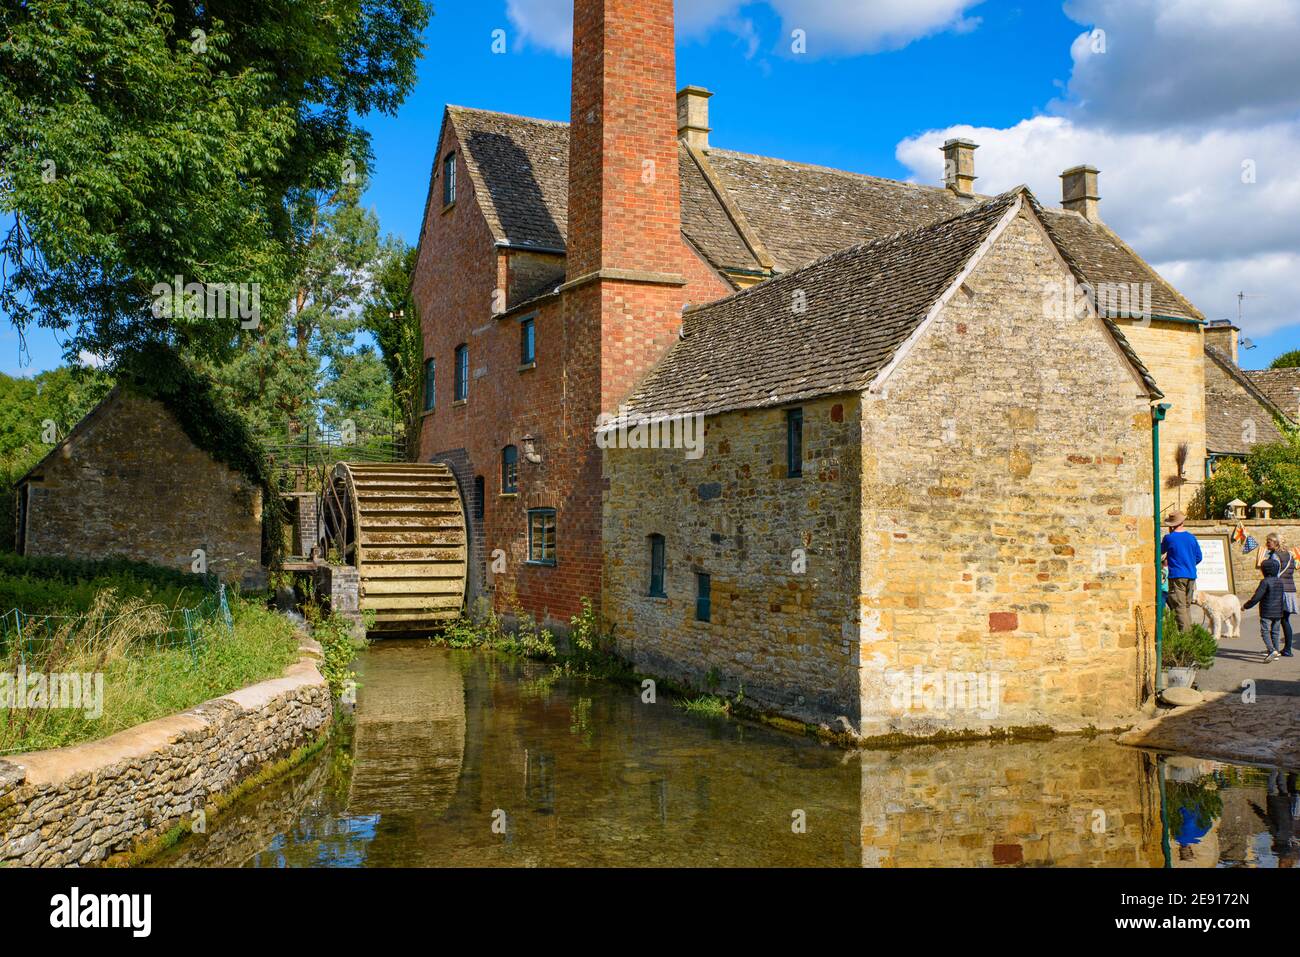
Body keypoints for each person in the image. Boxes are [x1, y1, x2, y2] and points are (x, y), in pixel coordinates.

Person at [1160, 510, 1201, 632]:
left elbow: (1160, 552)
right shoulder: (1191, 537)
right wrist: (1189, 564)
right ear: (1182, 522)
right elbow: (1199, 557)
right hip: (1191, 575)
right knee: (1186, 606)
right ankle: (1190, 635)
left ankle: (1186, 637)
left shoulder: (1169, 538)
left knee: (1179, 606)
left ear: (1171, 525)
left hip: (1177, 575)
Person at [1256, 533, 1296, 657]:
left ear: (1276, 542)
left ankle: (1277, 649)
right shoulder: (1290, 555)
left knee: (1278, 620)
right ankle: (1284, 648)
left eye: (1269, 542)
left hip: (1279, 590)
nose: (1266, 544)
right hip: (1290, 590)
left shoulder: (1274, 556)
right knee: (1285, 620)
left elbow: (1272, 574)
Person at [1242, 558, 1286, 662]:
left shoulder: (1265, 582)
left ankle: (1271, 650)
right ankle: (1276, 651)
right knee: (1276, 631)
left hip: (1266, 611)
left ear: (1264, 570)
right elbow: (1282, 597)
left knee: (1265, 631)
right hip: (1278, 611)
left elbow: (1257, 597)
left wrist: (1245, 606)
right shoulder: (1280, 581)